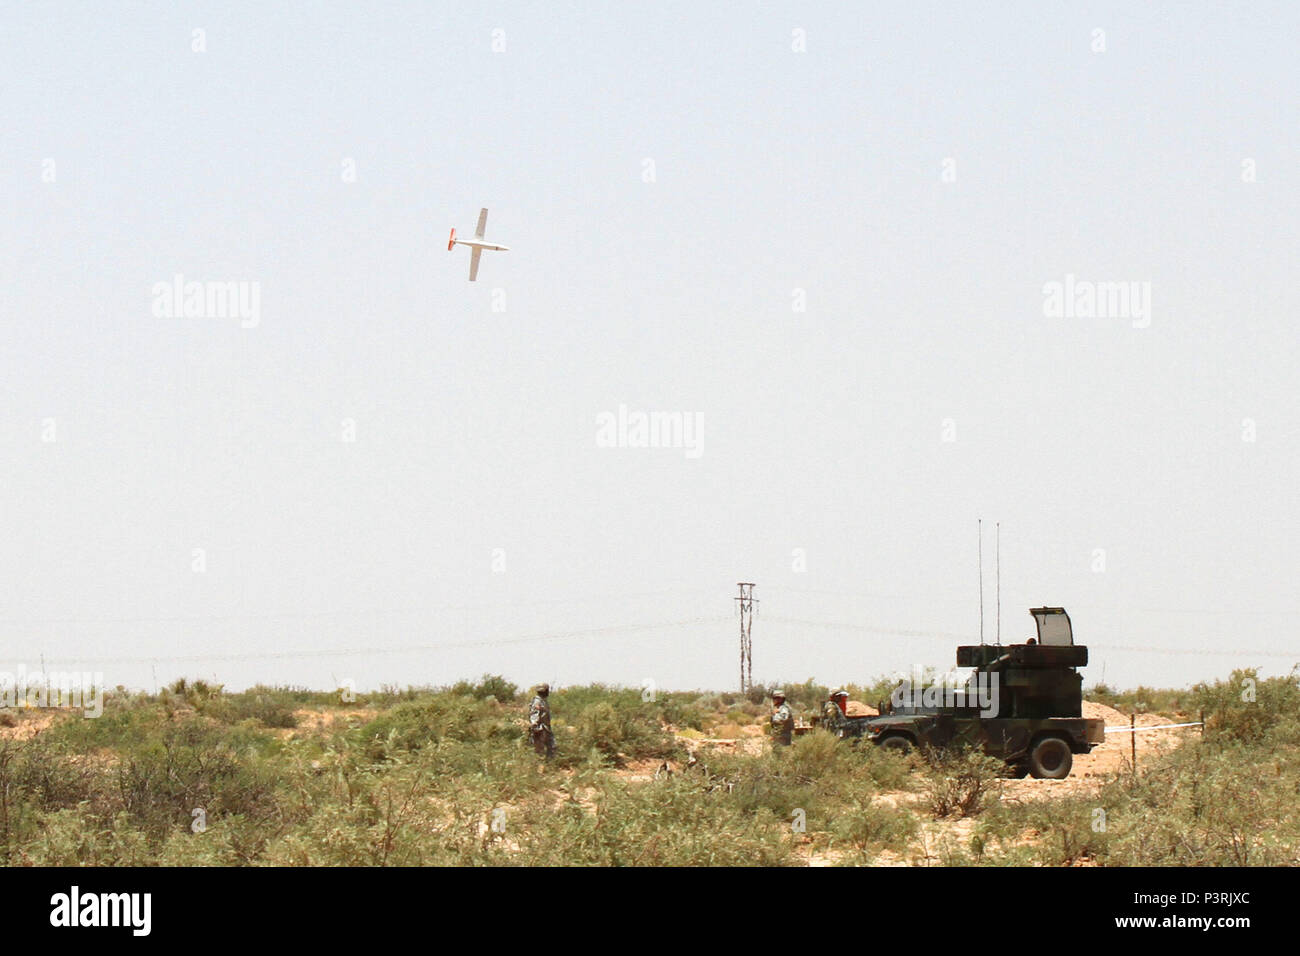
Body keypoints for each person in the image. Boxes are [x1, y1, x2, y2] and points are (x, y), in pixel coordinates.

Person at [529, 683, 555, 758]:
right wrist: (535, 726)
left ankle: (550, 764)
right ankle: (540, 766)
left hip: (546, 728)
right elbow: (534, 715)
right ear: (543, 691)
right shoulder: (537, 702)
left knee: (552, 747)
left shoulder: (543, 701)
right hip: (540, 729)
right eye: (547, 690)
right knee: (539, 751)